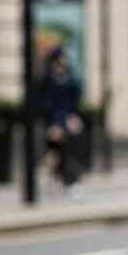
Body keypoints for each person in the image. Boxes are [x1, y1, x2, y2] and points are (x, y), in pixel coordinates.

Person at [37, 47, 83, 197]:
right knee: (54, 152)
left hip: (66, 121)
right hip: (54, 122)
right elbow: (45, 104)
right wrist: (53, 124)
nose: (62, 63)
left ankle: (69, 182)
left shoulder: (69, 80)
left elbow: (74, 101)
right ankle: (53, 180)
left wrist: (73, 117)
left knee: (69, 152)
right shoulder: (49, 81)